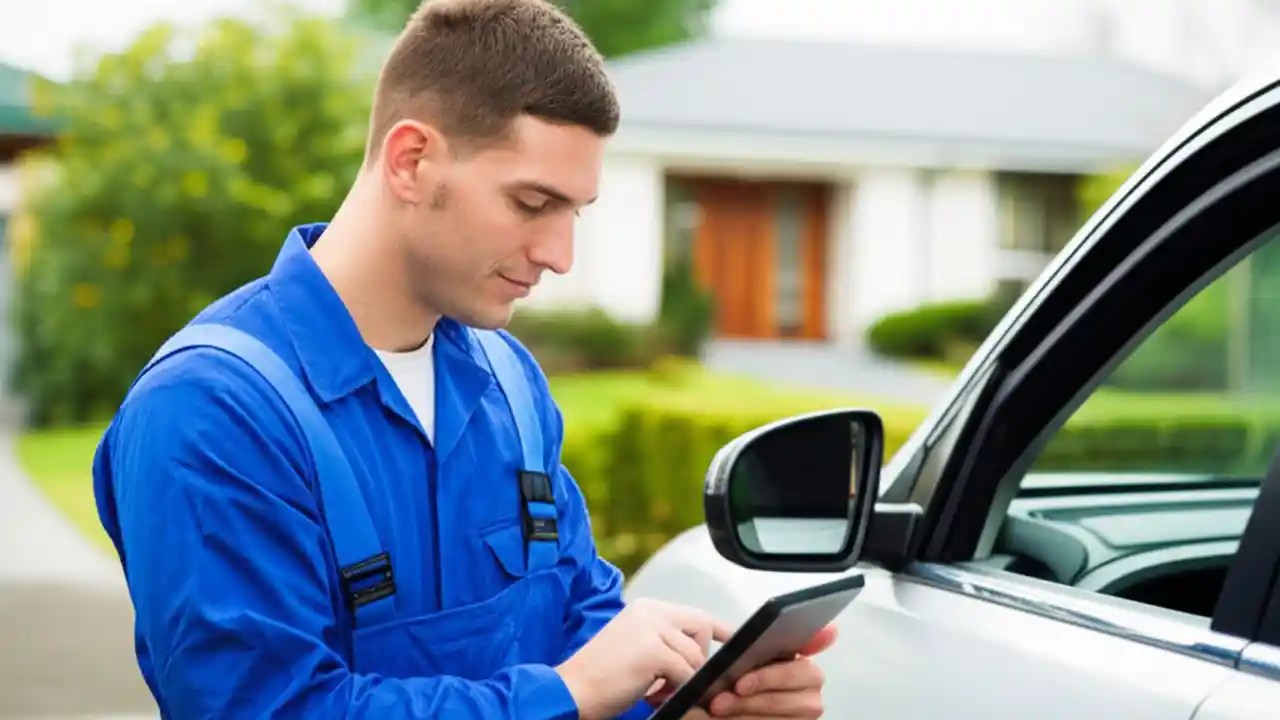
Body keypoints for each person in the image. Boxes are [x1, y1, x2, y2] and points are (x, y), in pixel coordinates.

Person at [91, 0, 836, 717]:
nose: (560, 255)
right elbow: (266, 709)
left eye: (574, 213)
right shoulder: (209, 412)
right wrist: (571, 694)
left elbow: (576, 623)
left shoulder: (512, 387)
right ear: (411, 160)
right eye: (532, 204)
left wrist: (681, 695)